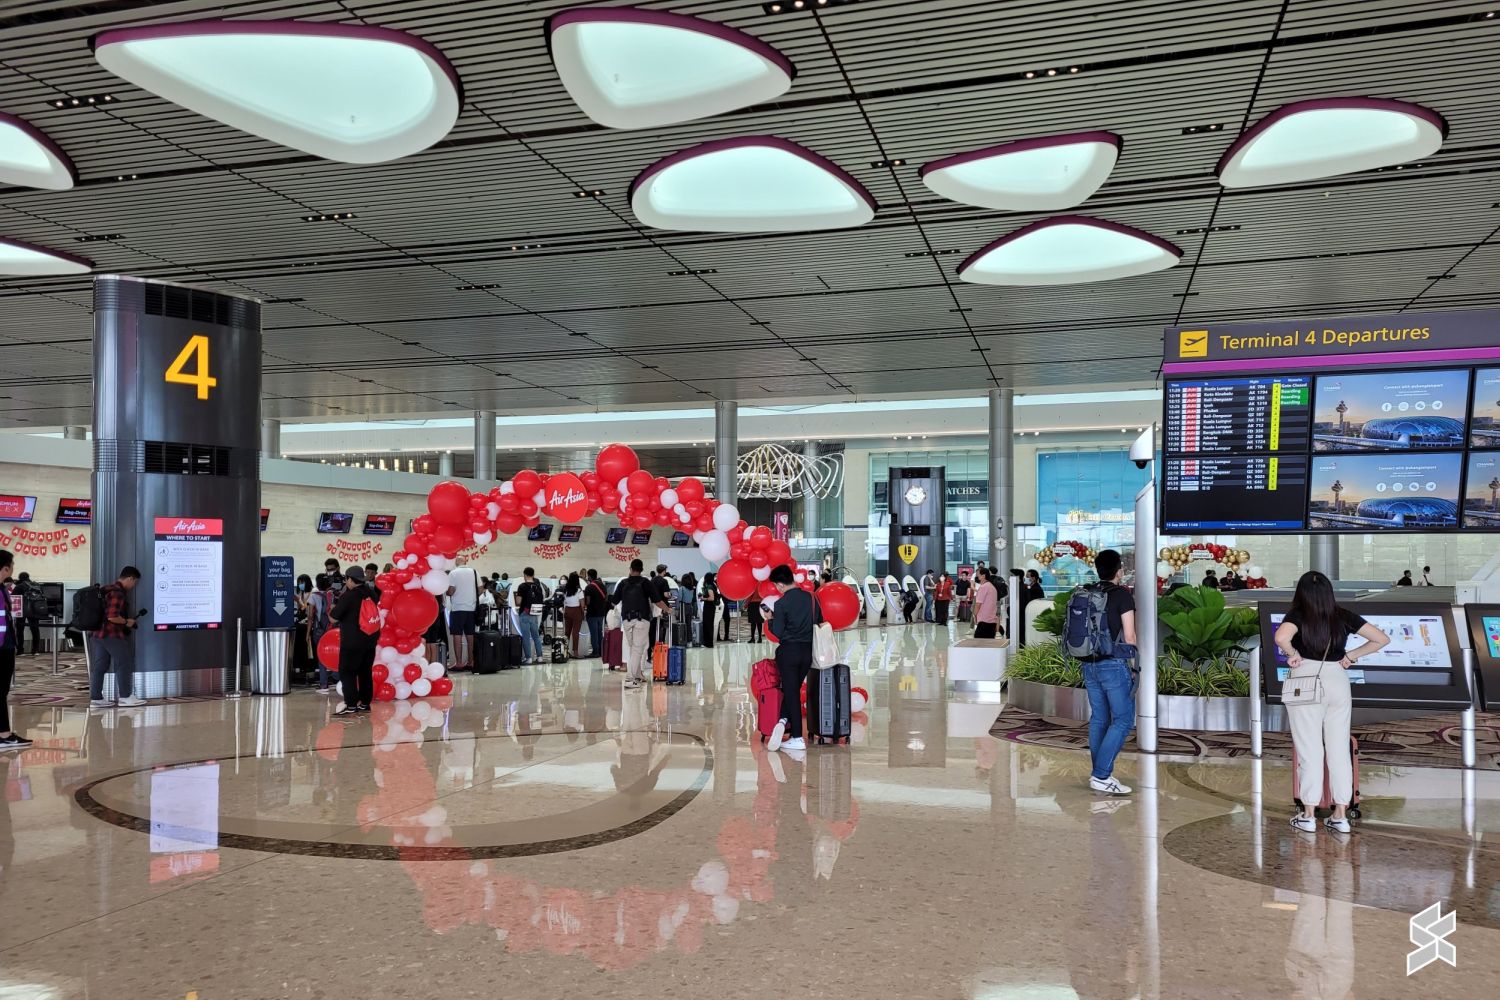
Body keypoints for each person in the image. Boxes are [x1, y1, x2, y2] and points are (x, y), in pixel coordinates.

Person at [1275, 570, 1390, 834]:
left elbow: (1281, 637)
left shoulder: (1298, 614)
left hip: (1306, 679)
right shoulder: (1343, 615)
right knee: (1339, 749)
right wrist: (1351, 656)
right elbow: (1381, 639)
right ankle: (1340, 814)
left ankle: (1308, 813)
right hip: (1338, 679)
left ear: (1301, 593)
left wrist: (1292, 654)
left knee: (1309, 749)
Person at [1079, 549, 1137, 796]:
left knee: (1100, 719)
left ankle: (1099, 773)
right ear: (1119, 571)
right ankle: (1101, 775)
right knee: (1123, 719)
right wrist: (1135, 665)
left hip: (1088, 663)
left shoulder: (1088, 592)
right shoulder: (1122, 595)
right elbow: (1130, 635)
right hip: (1113, 664)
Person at [766, 564, 818, 755]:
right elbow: (818, 621)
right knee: (793, 689)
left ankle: (797, 737)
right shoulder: (811, 598)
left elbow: (778, 632)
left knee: (791, 693)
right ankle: (782, 719)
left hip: (789, 653)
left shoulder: (781, 604)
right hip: (808, 652)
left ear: (780, 585)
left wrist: (769, 619)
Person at [88, 566, 145, 709]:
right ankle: (126, 697)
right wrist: (127, 622)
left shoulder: (106, 589)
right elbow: (112, 616)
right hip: (111, 634)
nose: (134, 586)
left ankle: (96, 699)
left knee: (100, 666)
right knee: (124, 662)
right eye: (135, 582)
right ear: (130, 578)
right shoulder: (118, 593)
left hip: (97, 634)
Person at [331, 566, 377, 716]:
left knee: (347, 672)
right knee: (365, 672)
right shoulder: (371, 593)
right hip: (370, 640)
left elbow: (333, 617)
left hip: (352, 642)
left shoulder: (348, 596)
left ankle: (351, 705)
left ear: (350, 579)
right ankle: (365, 704)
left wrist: (332, 606)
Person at [612, 559, 664, 688]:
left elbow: (614, 601)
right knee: (637, 650)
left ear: (630, 569)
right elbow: (657, 601)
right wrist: (668, 609)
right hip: (641, 619)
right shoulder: (645, 582)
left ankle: (638, 675)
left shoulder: (623, 583)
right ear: (641, 570)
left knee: (634, 649)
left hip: (627, 620)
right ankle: (630, 679)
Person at [0, 549, 33, 750]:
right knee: (1, 690)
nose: (13, 568)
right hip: (2, 648)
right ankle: (4, 735)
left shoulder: (3, 589)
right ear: (5, 567)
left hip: (6, 646)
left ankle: (4, 733)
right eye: (12, 564)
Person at [446, 556, 481, 670]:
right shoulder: (475, 572)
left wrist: (449, 592)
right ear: (466, 561)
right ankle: (471, 661)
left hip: (457, 609)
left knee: (457, 635)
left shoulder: (453, 573)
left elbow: (450, 591)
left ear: (456, 563)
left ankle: (459, 663)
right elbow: (480, 589)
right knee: (470, 635)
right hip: (471, 608)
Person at [308, 573, 336, 692]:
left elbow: (310, 616)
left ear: (317, 584)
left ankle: (323, 684)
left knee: (321, 656)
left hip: (319, 630)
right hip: (333, 629)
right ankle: (336, 678)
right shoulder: (333, 595)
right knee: (335, 654)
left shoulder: (313, 596)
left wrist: (307, 633)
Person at [513, 568, 546, 665]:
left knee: (526, 637)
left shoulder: (522, 586)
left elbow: (518, 602)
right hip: (535, 613)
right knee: (536, 636)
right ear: (533, 574)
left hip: (525, 613)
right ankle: (539, 657)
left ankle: (528, 658)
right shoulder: (538, 586)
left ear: (525, 575)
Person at [13, 572, 43, 657]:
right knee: (35, 630)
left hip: (22, 610)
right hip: (35, 610)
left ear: (20, 578)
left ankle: (20, 651)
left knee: (20, 630)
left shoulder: (19, 586)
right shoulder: (36, 585)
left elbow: (13, 597)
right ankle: (35, 650)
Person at [584, 569, 609, 658]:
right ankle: (601, 651)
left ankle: (595, 652)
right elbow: (606, 599)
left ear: (589, 576)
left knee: (594, 633)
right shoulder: (603, 585)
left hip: (592, 613)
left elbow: (588, 601)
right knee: (599, 632)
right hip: (601, 613)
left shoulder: (589, 587)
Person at [972, 568, 1000, 639]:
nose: (977, 577)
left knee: (980, 643)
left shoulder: (983, 587)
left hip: (984, 621)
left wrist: (974, 615)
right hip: (992, 621)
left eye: (978, 575)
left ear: (983, 576)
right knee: (989, 644)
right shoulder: (992, 587)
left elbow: (978, 604)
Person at [562, 572, 585, 658]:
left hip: (567, 610)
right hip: (576, 611)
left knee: (567, 632)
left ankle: (565, 652)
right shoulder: (579, 591)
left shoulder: (566, 590)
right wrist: (583, 613)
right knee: (575, 633)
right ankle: (575, 652)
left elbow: (564, 602)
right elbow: (582, 604)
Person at [649, 565, 673, 647]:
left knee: (653, 626)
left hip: (653, 605)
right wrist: (670, 595)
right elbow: (666, 595)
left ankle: (652, 645)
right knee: (662, 626)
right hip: (662, 606)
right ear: (664, 571)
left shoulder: (652, 580)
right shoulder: (664, 581)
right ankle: (660, 644)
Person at [700, 572, 721, 648]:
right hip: (711, 607)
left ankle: (708, 643)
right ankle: (709, 643)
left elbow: (711, 598)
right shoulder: (713, 585)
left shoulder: (709, 587)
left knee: (707, 625)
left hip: (708, 607)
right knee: (710, 624)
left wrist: (703, 598)